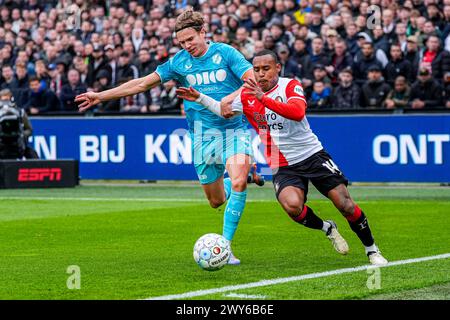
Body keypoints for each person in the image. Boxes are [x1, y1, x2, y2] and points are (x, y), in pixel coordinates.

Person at [75, 9, 263, 265]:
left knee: (238, 181)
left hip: (233, 130)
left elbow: (252, 81)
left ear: (202, 33)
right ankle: (245, 176)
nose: (187, 46)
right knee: (216, 201)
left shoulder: (226, 53)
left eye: (190, 40)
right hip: (201, 138)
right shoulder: (179, 62)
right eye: (182, 42)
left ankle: (226, 247)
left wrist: (229, 99)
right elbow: (141, 84)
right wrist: (101, 95)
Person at [176, 50, 388, 266]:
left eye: (266, 68)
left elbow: (297, 112)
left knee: (346, 205)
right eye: (256, 69)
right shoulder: (246, 95)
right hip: (281, 163)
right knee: (292, 206)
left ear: (278, 67)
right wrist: (200, 98)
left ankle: (372, 250)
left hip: (311, 155)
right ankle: (328, 228)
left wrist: (263, 98)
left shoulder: (289, 86)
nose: (260, 74)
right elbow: (224, 110)